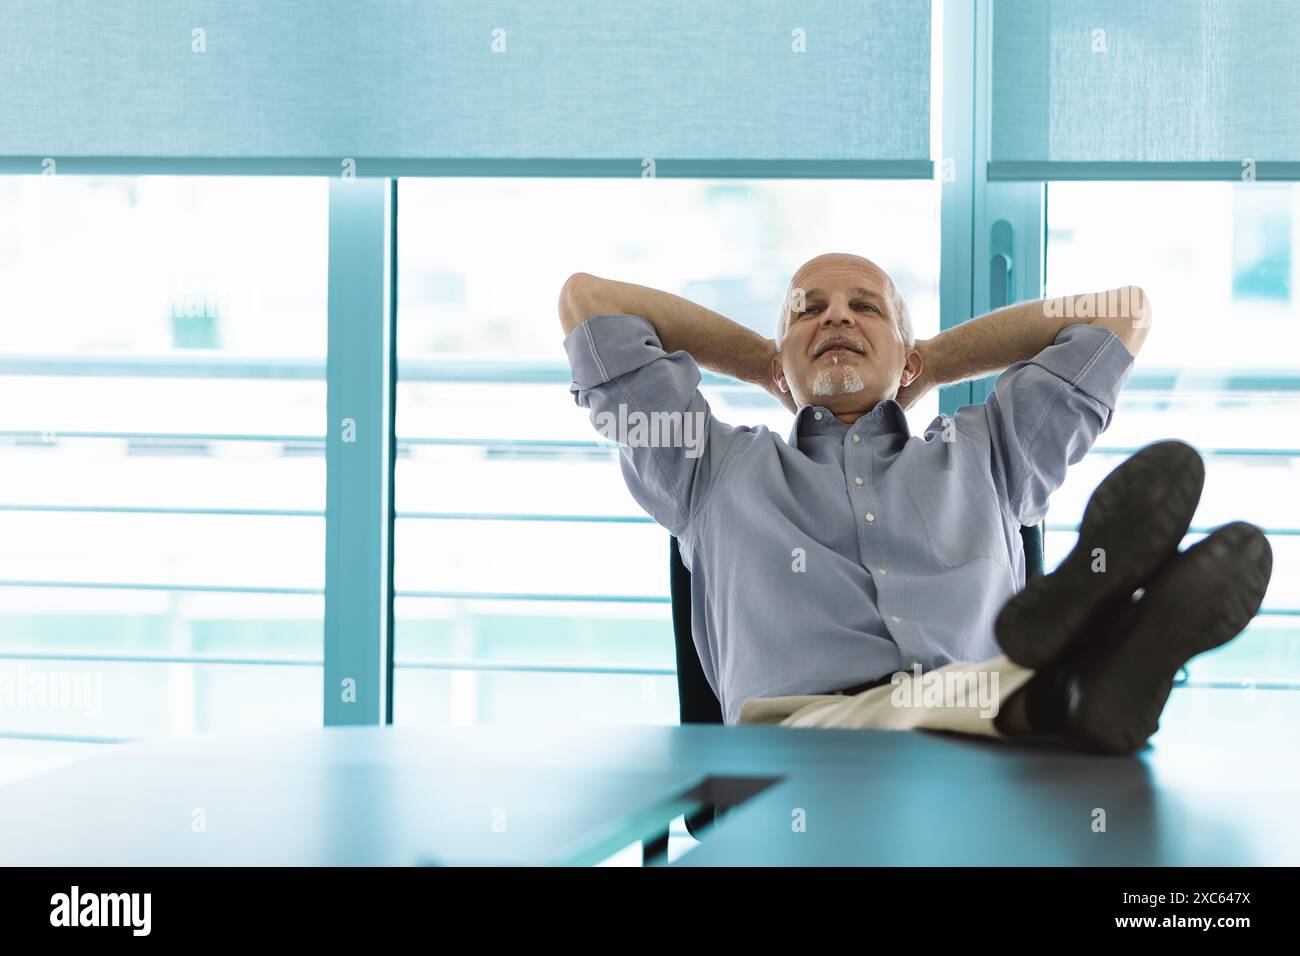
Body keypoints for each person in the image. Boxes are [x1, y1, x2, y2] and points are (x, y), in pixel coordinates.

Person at [557, 253, 1272, 753]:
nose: (836, 316)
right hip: (805, 749)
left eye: (864, 308)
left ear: (910, 357)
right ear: (778, 361)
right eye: (810, 311)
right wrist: (770, 363)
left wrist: (924, 364)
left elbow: (1121, 314)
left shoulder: (991, 450)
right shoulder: (707, 467)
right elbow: (588, 301)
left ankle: (1076, 680)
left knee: (989, 712)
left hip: (985, 738)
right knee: (1000, 709)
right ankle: (1093, 657)